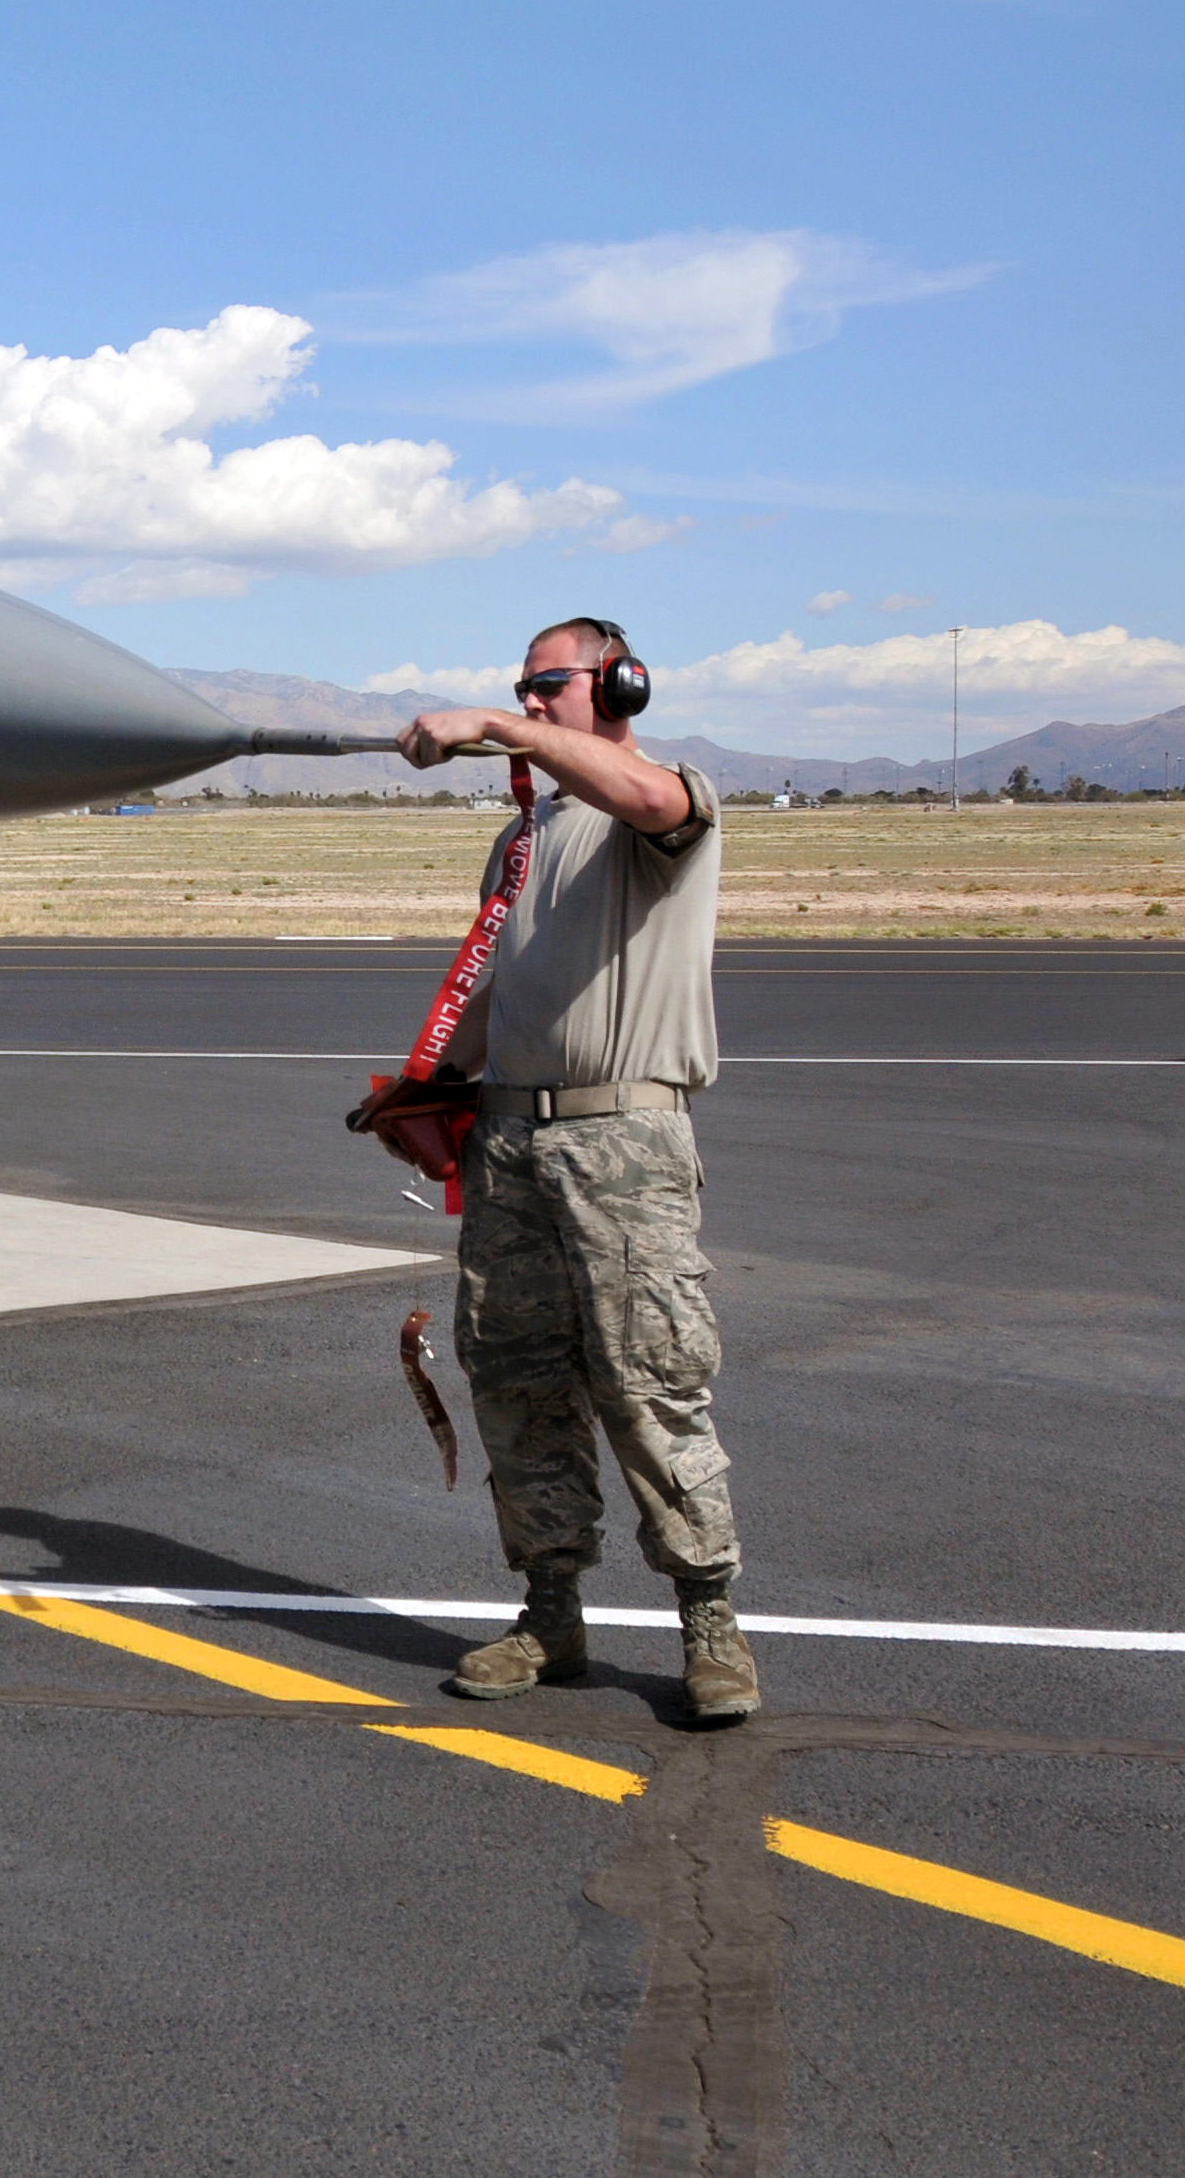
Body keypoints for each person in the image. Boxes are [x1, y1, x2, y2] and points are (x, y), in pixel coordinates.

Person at [398, 617, 757, 1723]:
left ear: (618, 684)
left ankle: (708, 1622)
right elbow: (503, 985)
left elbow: (645, 801)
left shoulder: (662, 799)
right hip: (507, 1144)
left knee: (647, 1380)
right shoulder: (519, 838)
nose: (530, 700)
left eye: (545, 684)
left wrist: (499, 726)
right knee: (513, 1380)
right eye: (519, 687)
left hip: (622, 1143)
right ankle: (547, 1611)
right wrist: (425, 1084)